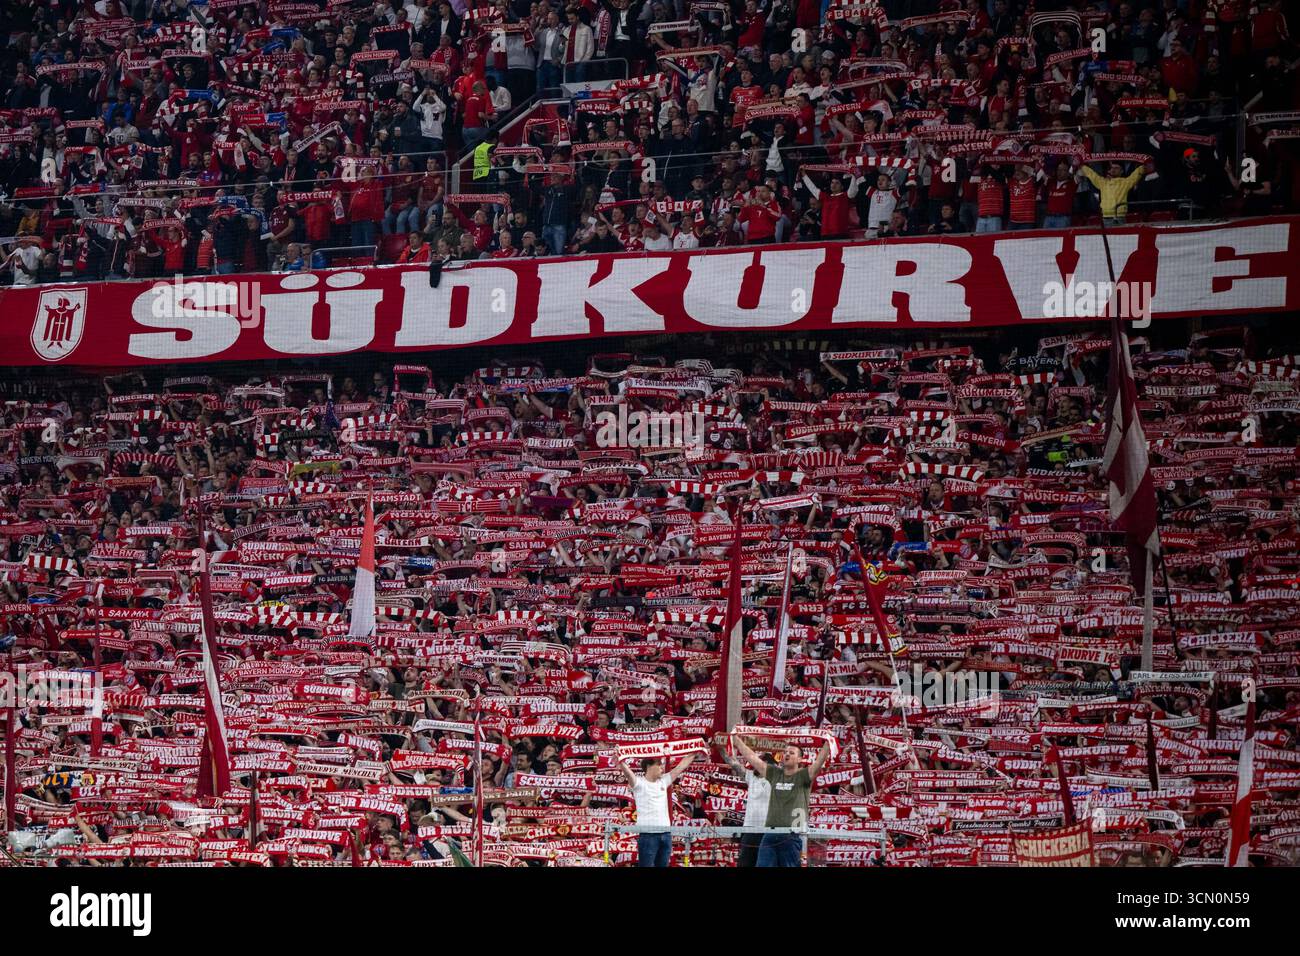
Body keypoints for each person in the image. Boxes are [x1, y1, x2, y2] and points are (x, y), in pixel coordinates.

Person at [731, 733, 830, 867]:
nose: (787, 754)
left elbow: (819, 762)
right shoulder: (775, 774)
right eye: (785, 752)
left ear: (800, 759)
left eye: (792, 753)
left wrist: (828, 742)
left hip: (791, 835)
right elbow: (753, 759)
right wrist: (738, 742)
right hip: (770, 834)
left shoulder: (804, 775)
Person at [614, 749, 698, 867]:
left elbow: (681, 766)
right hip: (648, 836)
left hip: (666, 834)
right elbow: (628, 773)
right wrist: (620, 760)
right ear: (648, 766)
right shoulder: (639, 783)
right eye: (659, 764)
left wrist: (697, 750)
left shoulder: (664, 780)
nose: (662, 767)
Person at [722, 744, 771, 868]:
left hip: (767, 830)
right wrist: (720, 749)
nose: (755, 764)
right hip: (749, 830)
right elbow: (733, 763)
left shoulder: (776, 780)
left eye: (760, 762)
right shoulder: (751, 777)